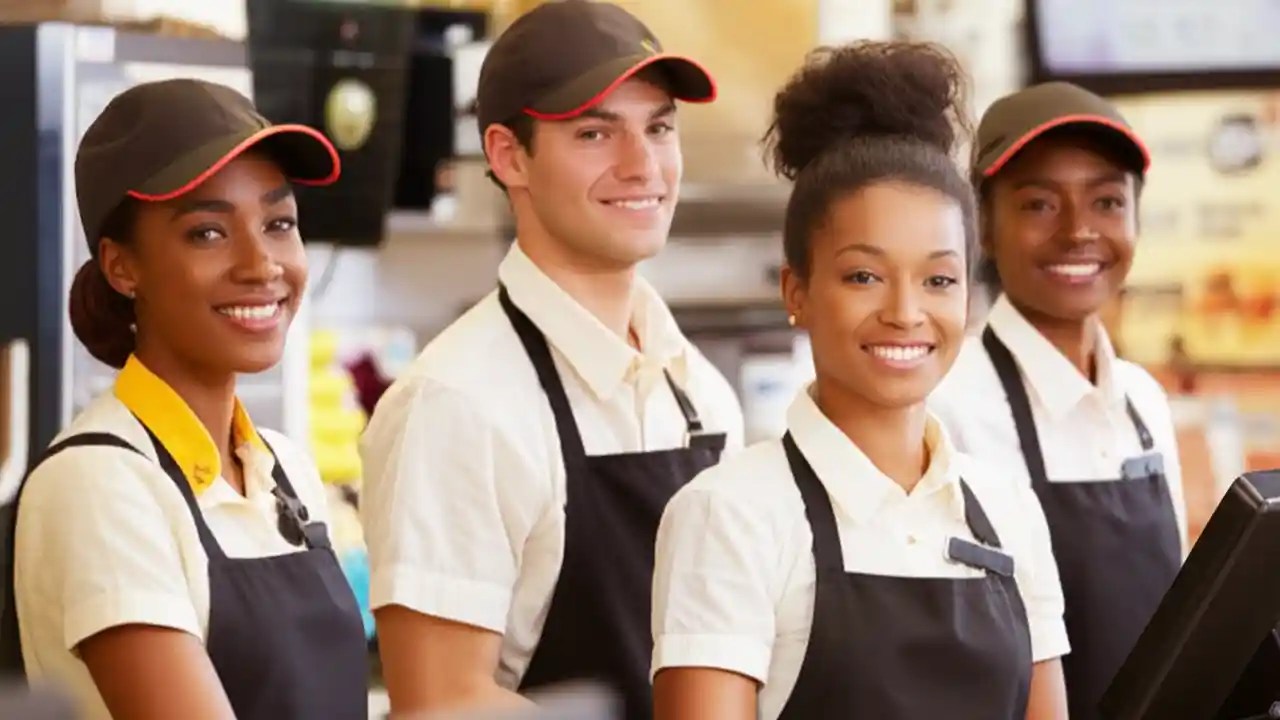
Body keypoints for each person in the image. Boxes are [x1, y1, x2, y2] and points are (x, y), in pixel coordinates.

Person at [650, 42, 1069, 720]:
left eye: (938, 280)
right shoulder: (730, 516)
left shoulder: (1009, 508)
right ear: (798, 290)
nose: (906, 313)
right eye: (864, 276)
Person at [357, 1, 743, 718]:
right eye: (595, 133)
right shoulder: (456, 406)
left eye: (659, 128)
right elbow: (442, 703)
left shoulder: (700, 393)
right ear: (509, 156)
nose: (642, 166)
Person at [0, 79, 368, 720]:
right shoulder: (100, 483)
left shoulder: (283, 467)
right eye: (207, 233)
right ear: (122, 267)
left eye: (278, 224)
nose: (262, 264)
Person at [929, 81, 1187, 720]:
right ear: (982, 225)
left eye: (1105, 201)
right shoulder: (944, 404)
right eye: (1040, 204)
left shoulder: (1146, 405)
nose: (1078, 232)